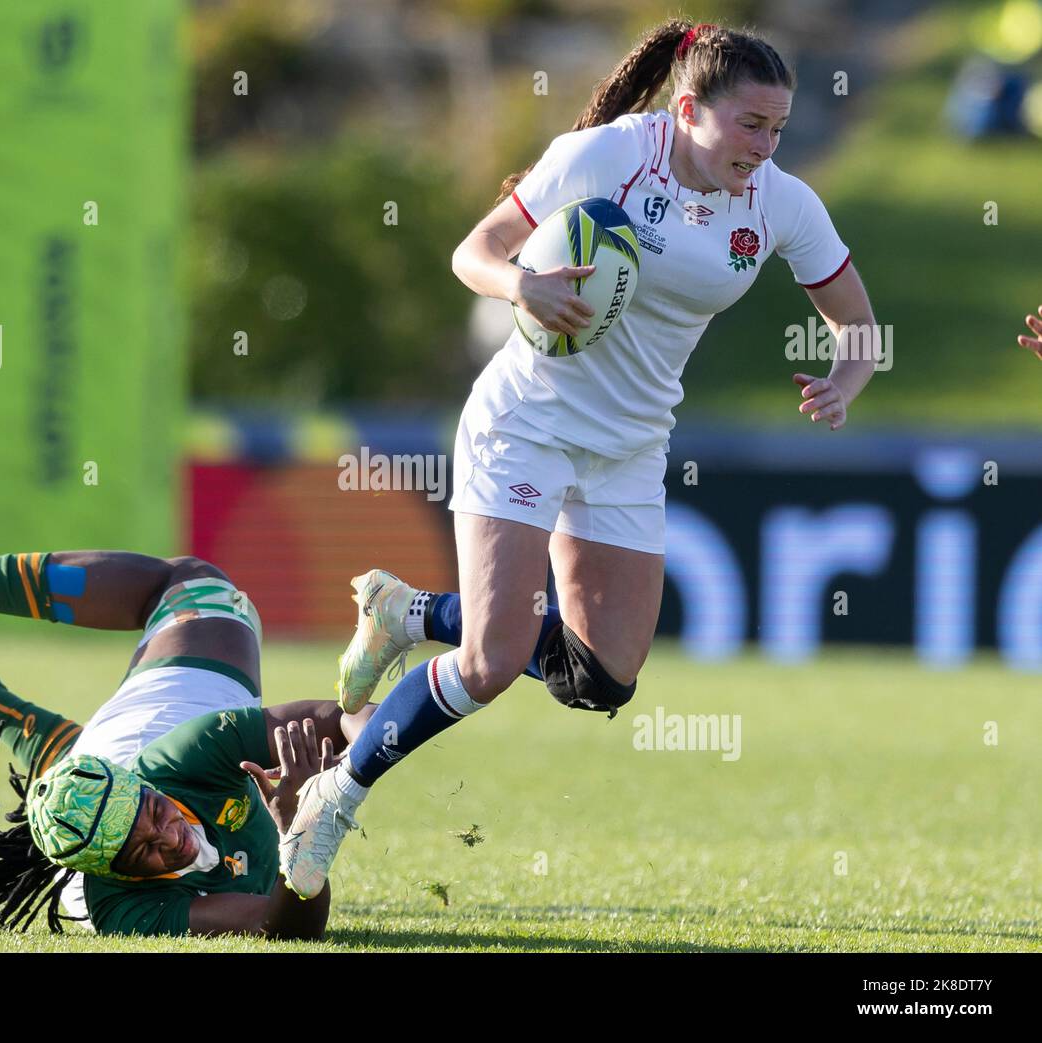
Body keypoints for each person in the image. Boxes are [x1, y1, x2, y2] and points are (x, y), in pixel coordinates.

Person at [279, 19, 881, 899]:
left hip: (632, 447)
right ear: (688, 110)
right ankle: (334, 794)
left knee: (605, 678)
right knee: (490, 662)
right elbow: (472, 252)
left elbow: (859, 326)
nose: (766, 146)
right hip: (527, 424)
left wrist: (845, 381)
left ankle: (407, 614)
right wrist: (521, 281)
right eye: (750, 125)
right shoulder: (604, 156)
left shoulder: (781, 202)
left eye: (779, 129)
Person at [0, 513, 373, 937]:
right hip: (88, 838)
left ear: (146, 787)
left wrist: (380, 735)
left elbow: (339, 718)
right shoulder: (119, 906)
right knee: (77, 779)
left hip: (140, 735)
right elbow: (280, 928)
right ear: (117, 871)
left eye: (154, 812)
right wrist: (303, 838)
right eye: (145, 852)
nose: (169, 835)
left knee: (194, 583)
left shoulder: (183, 754)